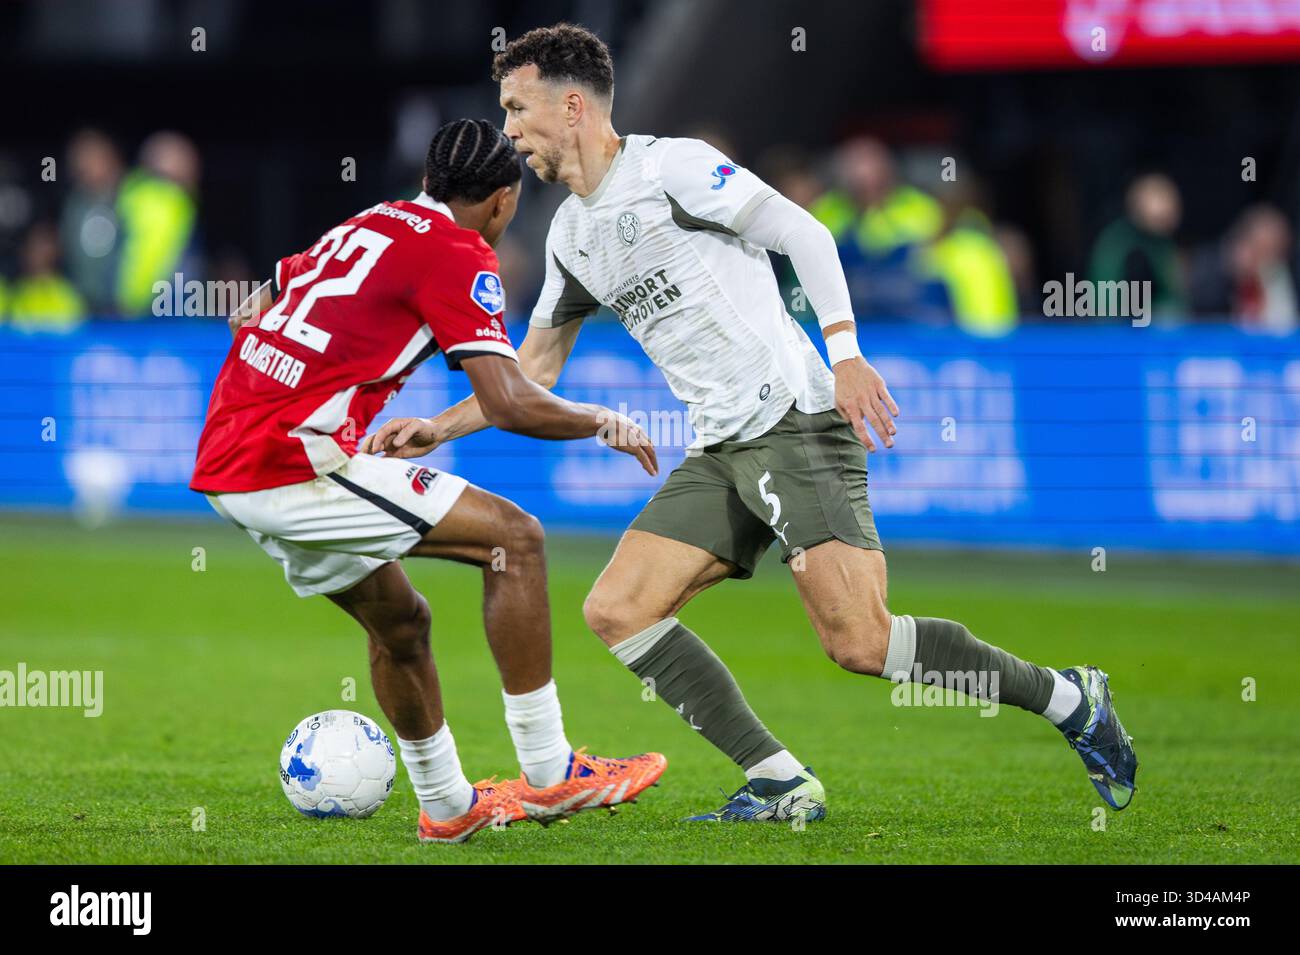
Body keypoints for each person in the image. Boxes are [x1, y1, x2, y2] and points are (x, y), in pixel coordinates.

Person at [366, 26, 1138, 821]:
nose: (510, 131)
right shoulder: (569, 235)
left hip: (792, 420)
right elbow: (534, 366)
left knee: (861, 642)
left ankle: (1070, 697)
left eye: (518, 108)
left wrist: (844, 353)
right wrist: (439, 426)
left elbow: (803, 231)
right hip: (721, 446)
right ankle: (778, 778)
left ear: (571, 106)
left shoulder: (674, 167)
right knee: (618, 607)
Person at [191, 119, 665, 844]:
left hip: (233, 452)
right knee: (517, 539)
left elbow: (252, 307)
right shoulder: (460, 254)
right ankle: (550, 772)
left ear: (428, 180)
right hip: (293, 459)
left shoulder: (375, 219)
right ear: (504, 202)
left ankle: (447, 805)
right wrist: (600, 420)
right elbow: (509, 399)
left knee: (400, 622)